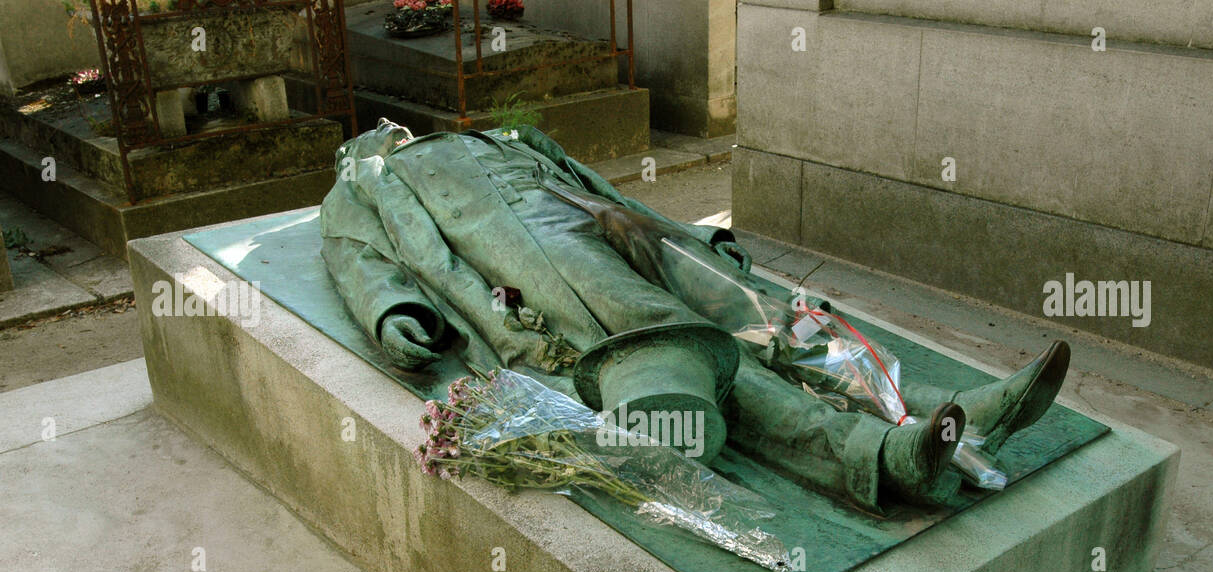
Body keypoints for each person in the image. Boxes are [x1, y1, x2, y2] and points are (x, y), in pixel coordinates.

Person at [321, 119, 1069, 510]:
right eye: (375, 129)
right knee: (691, 348)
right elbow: (359, 257)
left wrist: (693, 235)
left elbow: (590, 181)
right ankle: (877, 458)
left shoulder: (500, 137)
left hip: (600, 221)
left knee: (763, 313)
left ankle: (938, 415)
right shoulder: (367, 184)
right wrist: (391, 309)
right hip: (530, 261)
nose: (391, 129)